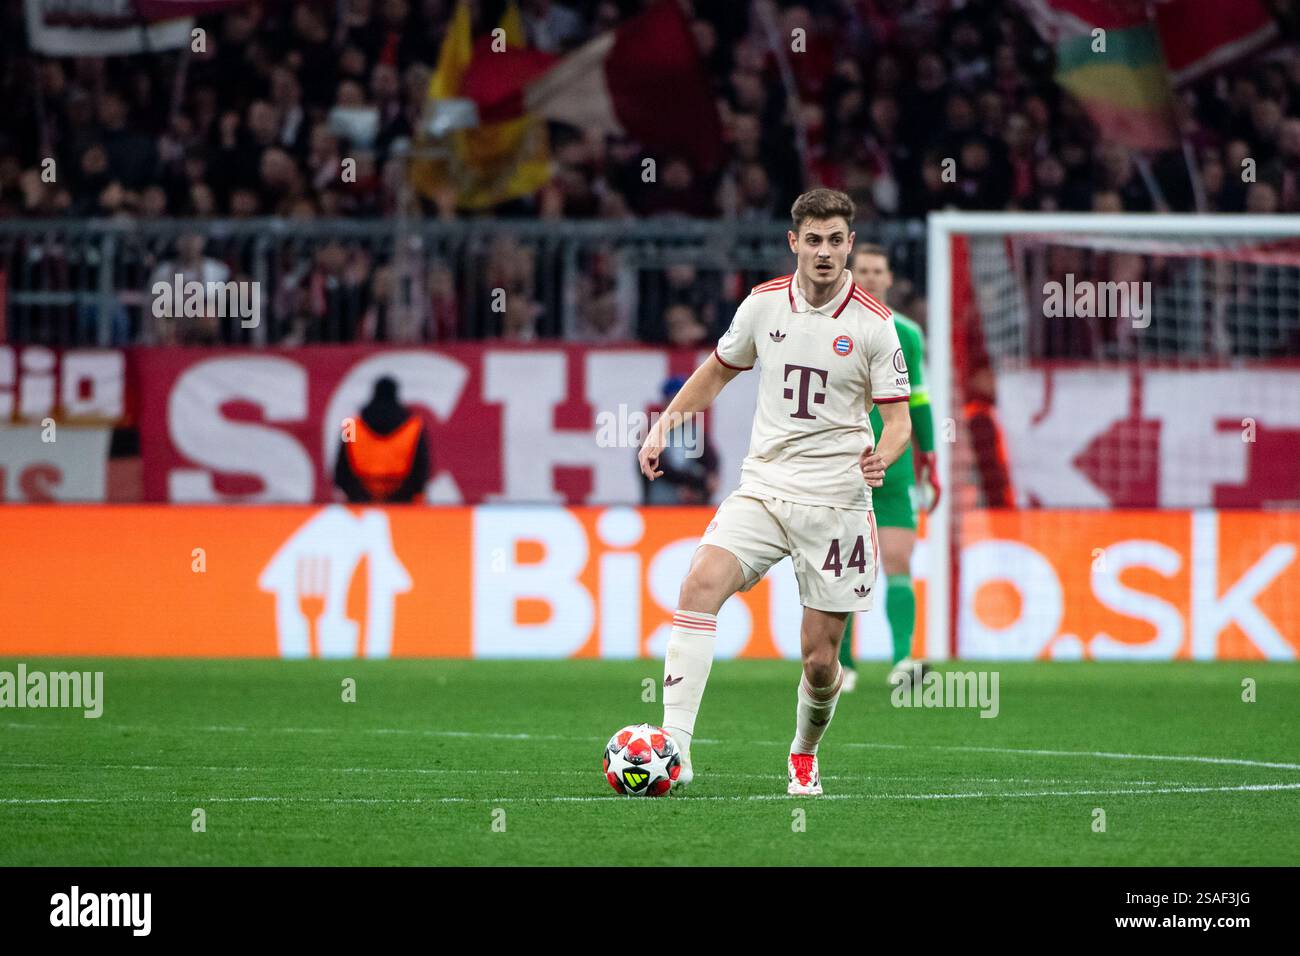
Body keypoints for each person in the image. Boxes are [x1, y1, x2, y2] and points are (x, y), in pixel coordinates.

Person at [638, 188, 911, 796]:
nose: (824, 252)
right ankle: (674, 747)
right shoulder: (762, 306)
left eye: (835, 240)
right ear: (794, 243)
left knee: (820, 661)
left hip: (838, 503)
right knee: (698, 583)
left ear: (849, 246)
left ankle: (804, 750)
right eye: (812, 240)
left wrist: (882, 458)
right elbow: (715, 372)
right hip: (763, 488)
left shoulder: (874, 325)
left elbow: (898, 423)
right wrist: (664, 425)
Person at [838, 245, 941, 691]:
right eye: (863, 269)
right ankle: (843, 665)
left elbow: (918, 400)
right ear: (851, 274)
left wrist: (930, 457)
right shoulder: (829, 328)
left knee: (898, 558)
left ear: (890, 277)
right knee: (841, 568)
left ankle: (902, 659)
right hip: (842, 466)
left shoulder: (908, 333)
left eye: (878, 270)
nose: (871, 277)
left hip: (894, 467)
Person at [334, 376, 431, 503]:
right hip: (402, 501)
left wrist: (353, 491)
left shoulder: (350, 425)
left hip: (359, 499)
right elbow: (421, 468)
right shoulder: (414, 426)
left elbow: (341, 467)